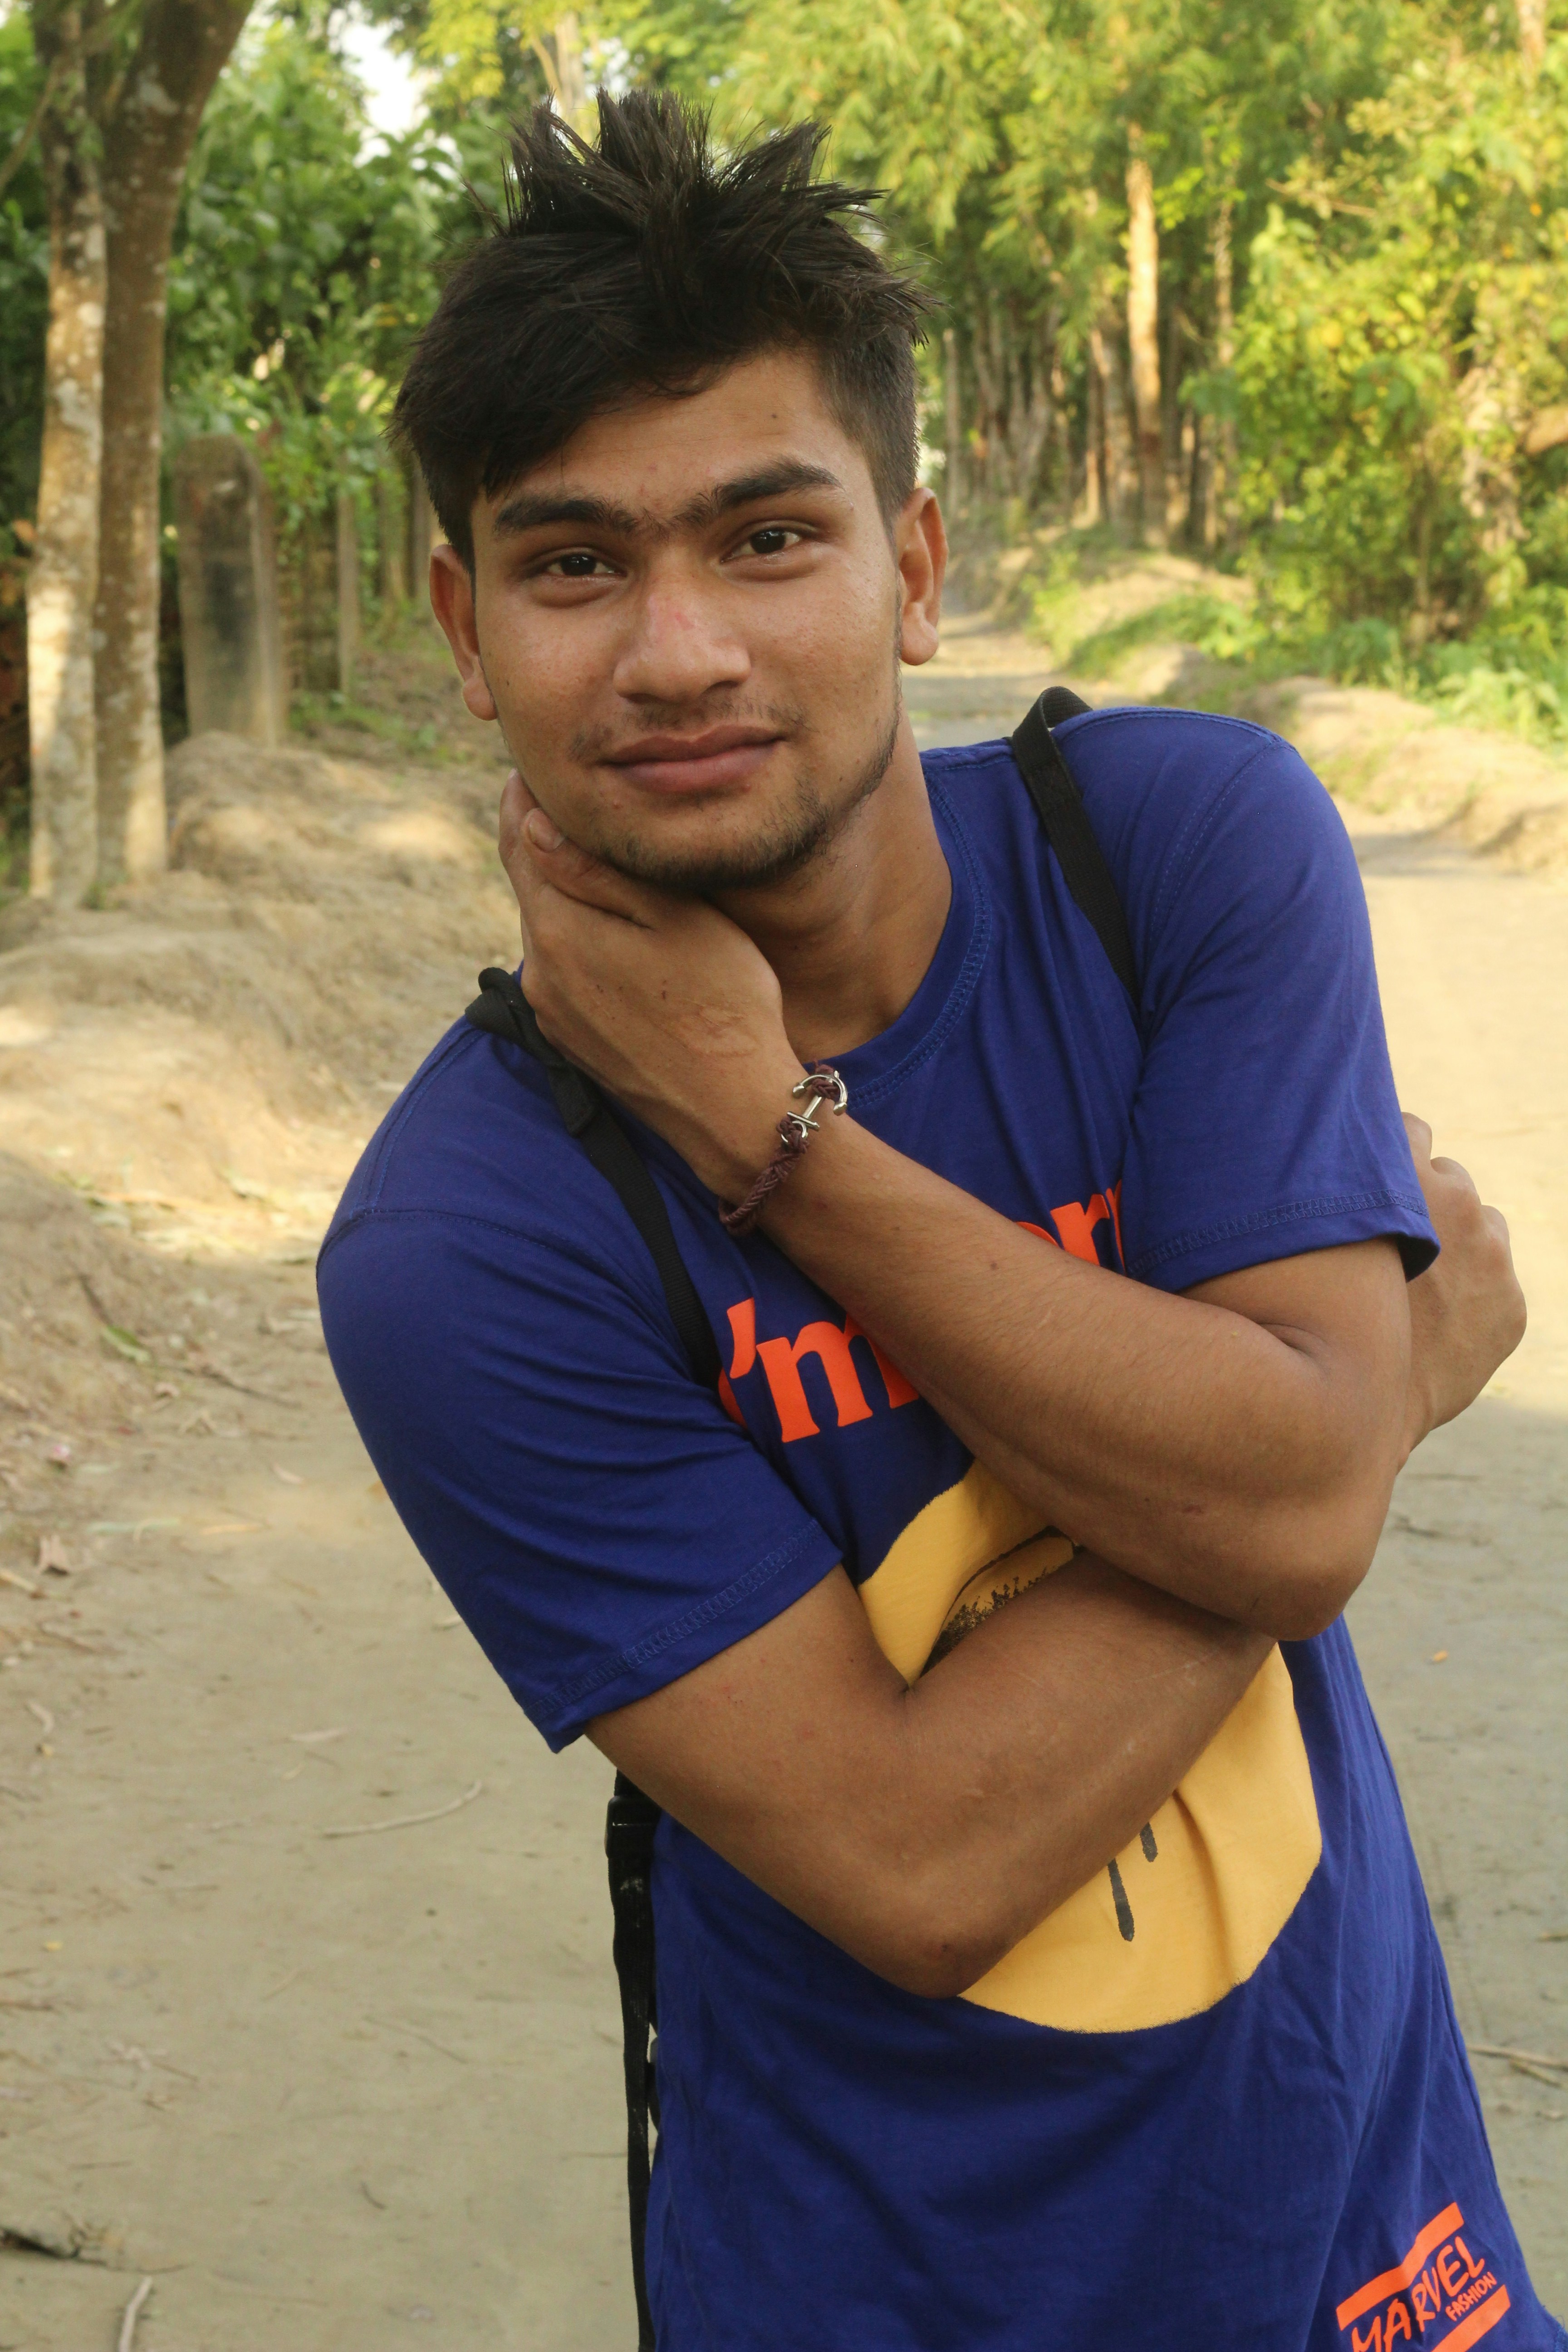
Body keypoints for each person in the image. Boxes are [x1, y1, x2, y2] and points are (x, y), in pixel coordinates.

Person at [317, 91, 1554, 2352]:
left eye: (768, 540)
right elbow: (927, 1860)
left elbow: (1289, 1503)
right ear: (463, 624)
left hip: (1392, 2274)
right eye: (575, 564)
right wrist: (1356, 1425)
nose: (679, 649)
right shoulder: (472, 1236)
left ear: (918, 559)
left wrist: (777, 1131)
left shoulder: (1176, 854)